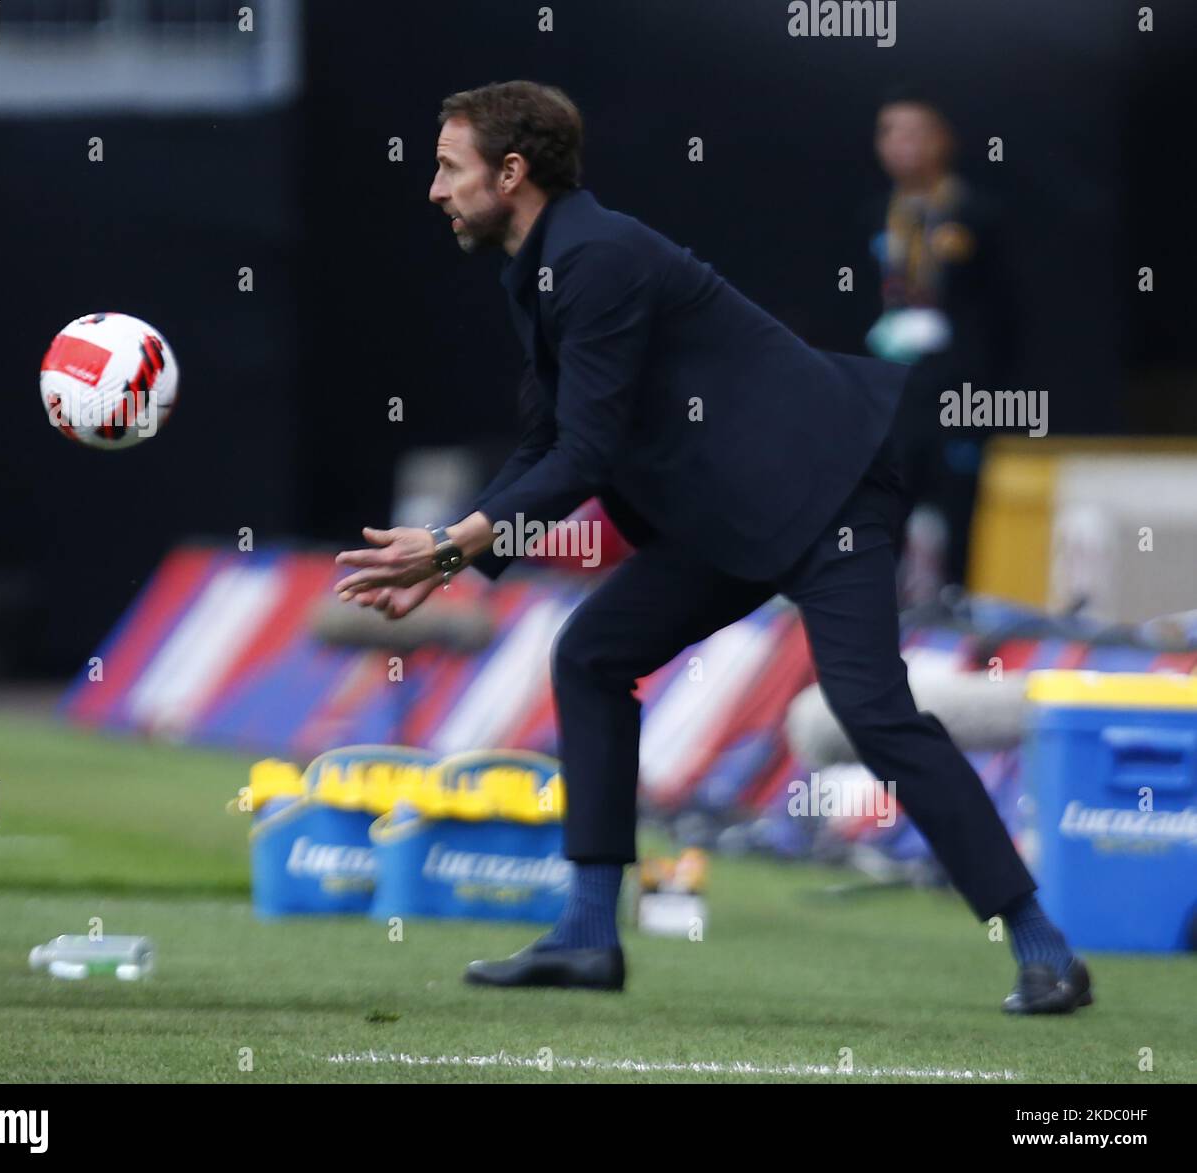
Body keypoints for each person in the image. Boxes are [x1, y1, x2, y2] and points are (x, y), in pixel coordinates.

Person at [334, 81, 1090, 1014]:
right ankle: (586, 936)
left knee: (872, 711)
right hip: (731, 517)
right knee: (593, 652)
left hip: (828, 489)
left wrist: (449, 543)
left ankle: (1045, 946)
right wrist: (455, 561)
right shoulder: (539, 267)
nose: (435, 189)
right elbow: (545, 441)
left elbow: (586, 452)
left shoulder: (596, 257)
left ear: (512, 173)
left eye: (449, 167)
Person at [866, 92, 1017, 590]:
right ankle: (879, 613)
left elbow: (1008, 312)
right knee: (884, 501)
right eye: (890, 131)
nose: (902, 144)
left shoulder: (976, 215)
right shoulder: (874, 216)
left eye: (915, 131)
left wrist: (984, 386)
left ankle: (955, 611)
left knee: (956, 503)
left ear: (943, 141)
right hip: (892, 385)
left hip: (959, 389)